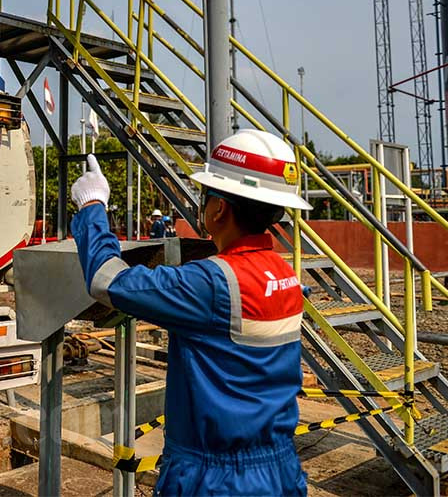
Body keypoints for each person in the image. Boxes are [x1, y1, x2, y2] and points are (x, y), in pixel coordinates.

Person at [70, 129, 312, 496]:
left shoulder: (211, 284)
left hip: (215, 480)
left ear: (219, 208)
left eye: (206, 195)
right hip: (280, 470)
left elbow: (107, 280)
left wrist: (92, 207)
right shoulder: (284, 275)